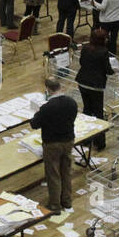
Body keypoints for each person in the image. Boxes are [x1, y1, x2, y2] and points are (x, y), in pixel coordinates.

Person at [30, 76, 78, 213]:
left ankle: (55, 205)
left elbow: (34, 124)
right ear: (60, 87)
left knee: (53, 174)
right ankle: (67, 202)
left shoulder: (46, 108)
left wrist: (37, 113)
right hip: (68, 141)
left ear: (47, 90)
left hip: (52, 144)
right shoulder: (72, 102)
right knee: (66, 172)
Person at [75, 29, 114, 151]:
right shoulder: (104, 51)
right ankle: (99, 142)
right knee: (98, 114)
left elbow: (81, 62)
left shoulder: (86, 48)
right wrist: (113, 71)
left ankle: (85, 140)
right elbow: (108, 69)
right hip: (95, 86)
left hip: (82, 82)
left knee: (86, 110)